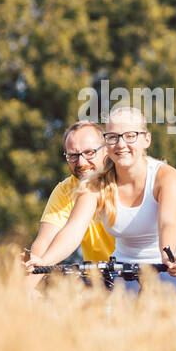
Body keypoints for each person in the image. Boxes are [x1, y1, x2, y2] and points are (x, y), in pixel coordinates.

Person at [24, 106, 176, 303]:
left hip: (168, 265)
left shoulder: (165, 176)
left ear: (146, 139)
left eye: (130, 136)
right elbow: (73, 230)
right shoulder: (94, 185)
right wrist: (43, 262)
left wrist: (169, 255)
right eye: (113, 137)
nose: (121, 144)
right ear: (106, 144)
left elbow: (168, 223)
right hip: (124, 269)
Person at [25, 121, 116, 292]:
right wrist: (23, 291)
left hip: (141, 272)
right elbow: (45, 242)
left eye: (89, 153)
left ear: (105, 150)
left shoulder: (124, 181)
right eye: (73, 156)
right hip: (99, 279)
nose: (81, 162)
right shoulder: (64, 190)